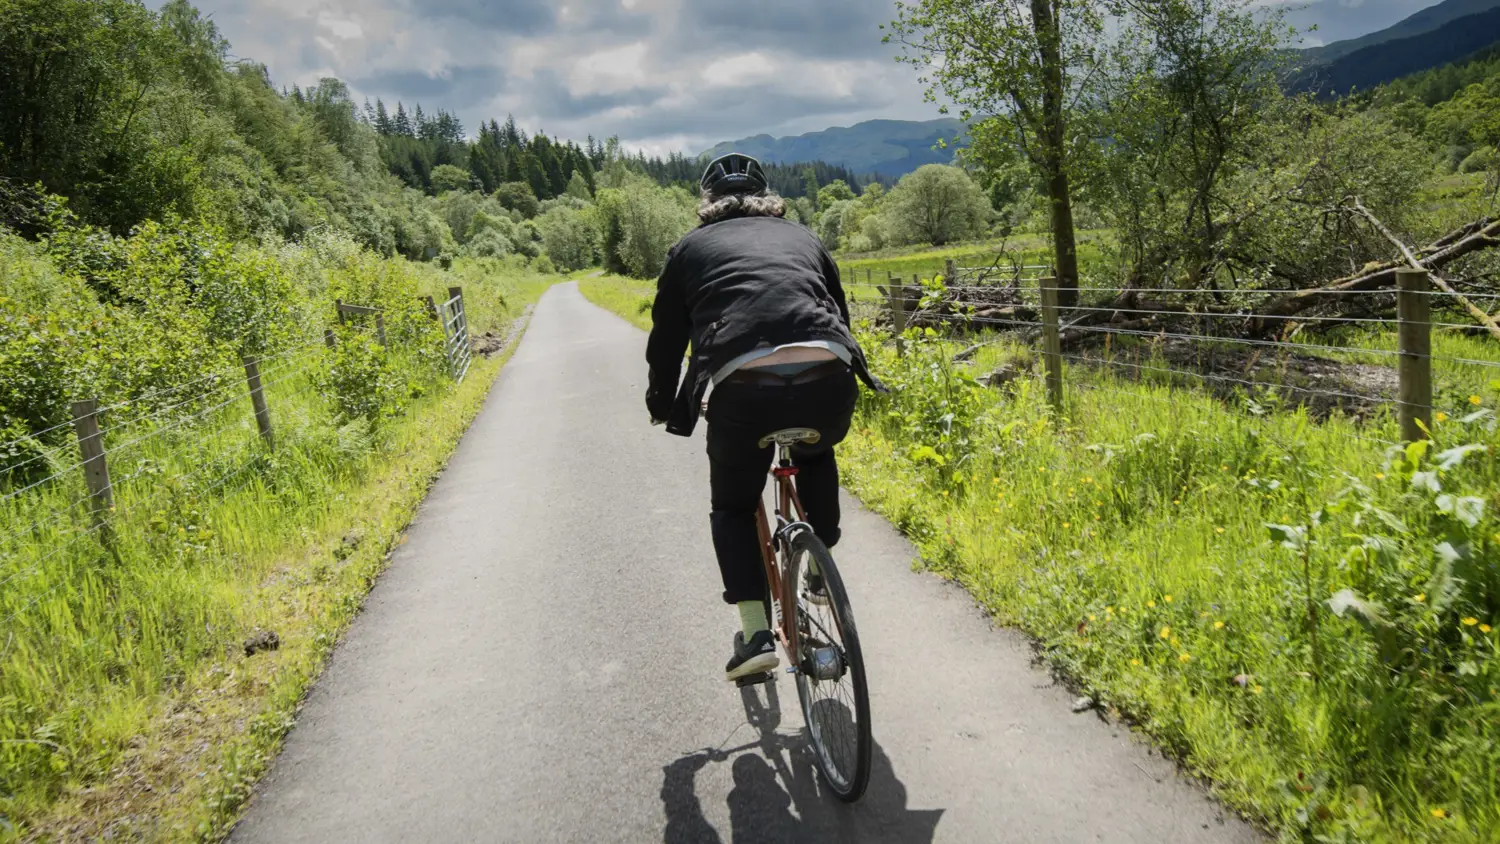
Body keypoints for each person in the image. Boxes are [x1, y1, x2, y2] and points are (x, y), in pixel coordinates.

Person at [645, 153, 884, 681]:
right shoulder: (803, 236)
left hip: (744, 390)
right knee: (817, 450)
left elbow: (666, 340)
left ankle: (755, 635)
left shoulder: (688, 249)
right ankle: (820, 564)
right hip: (830, 375)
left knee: (732, 507)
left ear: (707, 204)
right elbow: (837, 311)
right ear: (766, 196)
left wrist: (662, 403)